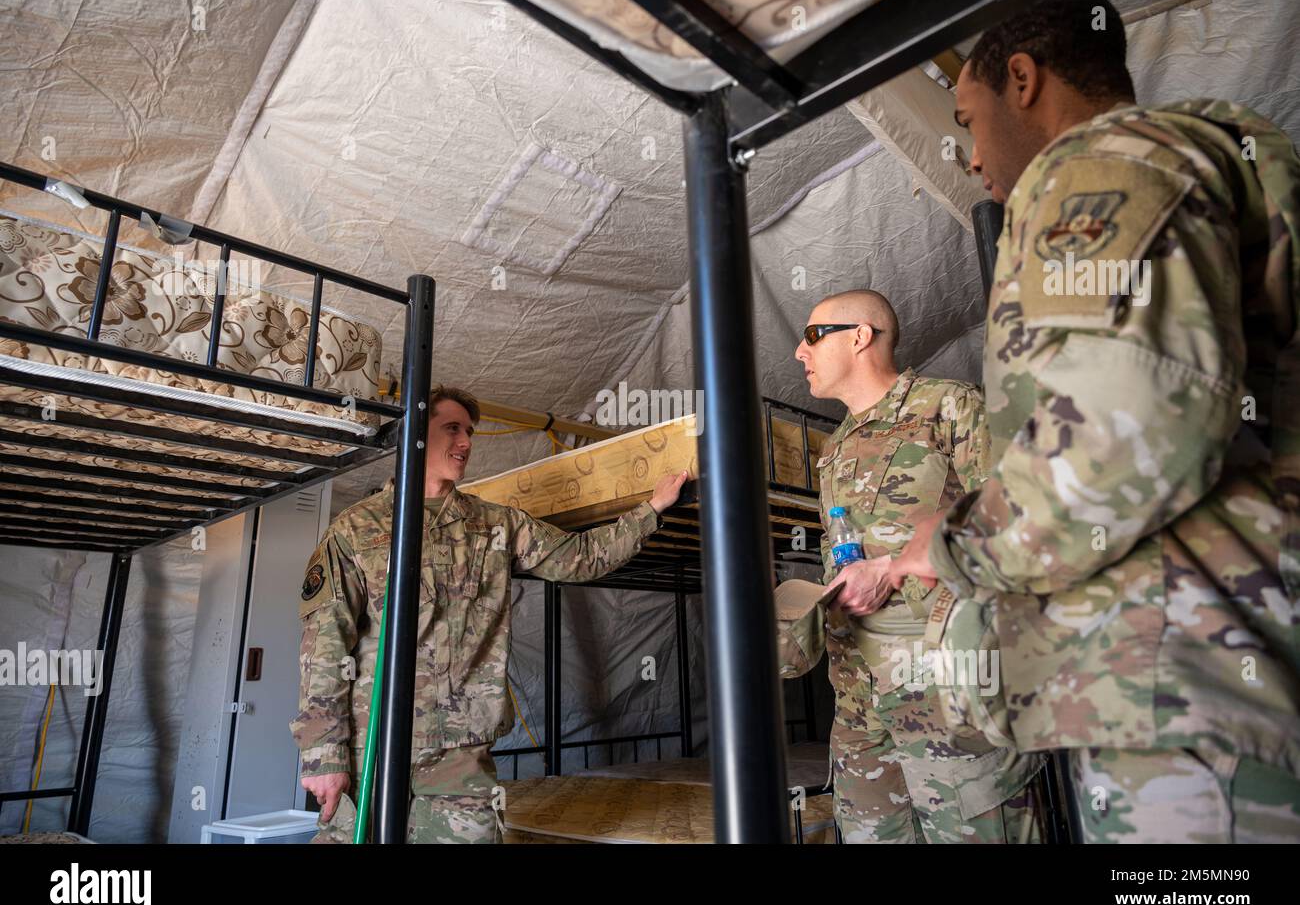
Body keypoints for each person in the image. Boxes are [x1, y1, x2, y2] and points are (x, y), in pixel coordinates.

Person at [891, 0, 1300, 841]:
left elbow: (1130, 426)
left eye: (968, 120)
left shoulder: (1098, 165)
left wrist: (957, 545)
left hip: (1179, 697)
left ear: (1023, 78)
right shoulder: (1222, 170)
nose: (969, 156)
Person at [293, 384, 687, 842]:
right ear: (417, 433)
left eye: (470, 432)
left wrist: (651, 510)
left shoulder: (495, 524)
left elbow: (580, 557)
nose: (466, 443)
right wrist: (323, 753)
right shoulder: (359, 528)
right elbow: (324, 642)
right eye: (453, 429)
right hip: (373, 743)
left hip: (460, 750)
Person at [779, 289, 1041, 843]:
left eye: (810, 337)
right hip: (858, 704)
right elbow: (842, 552)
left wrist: (895, 568)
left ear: (859, 336)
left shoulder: (950, 406)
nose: (799, 354)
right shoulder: (834, 449)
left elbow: (1012, 522)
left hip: (947, 693)